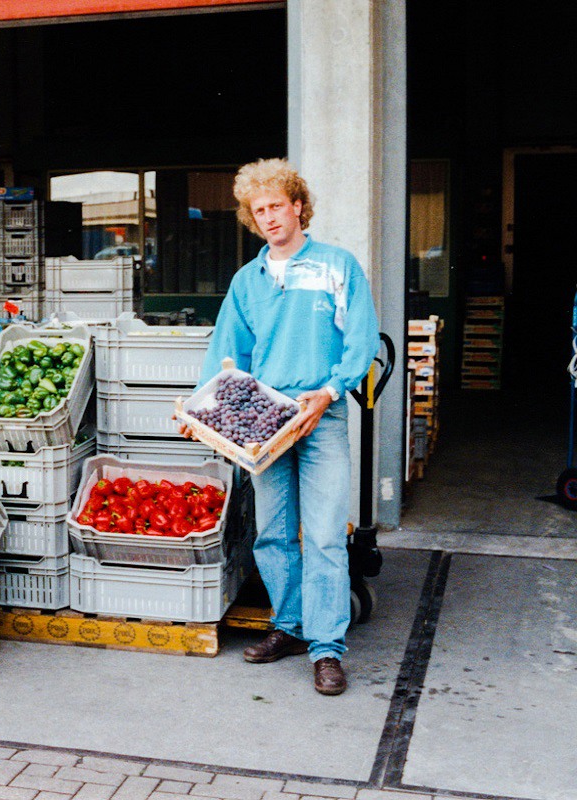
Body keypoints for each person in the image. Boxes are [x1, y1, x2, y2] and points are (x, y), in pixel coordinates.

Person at [184, 158, 379, 696]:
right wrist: (204, 412)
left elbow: (362, 339)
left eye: (276, 205)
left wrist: (332, 389)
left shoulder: (337, 266)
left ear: (297, 206)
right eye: (258, 209)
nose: (269, 216)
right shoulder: (248, 281)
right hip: (263, 425)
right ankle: (290, 628)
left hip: (321, 414)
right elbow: (228, 353)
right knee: (271, 532)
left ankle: (326, 648)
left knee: (322, 536)